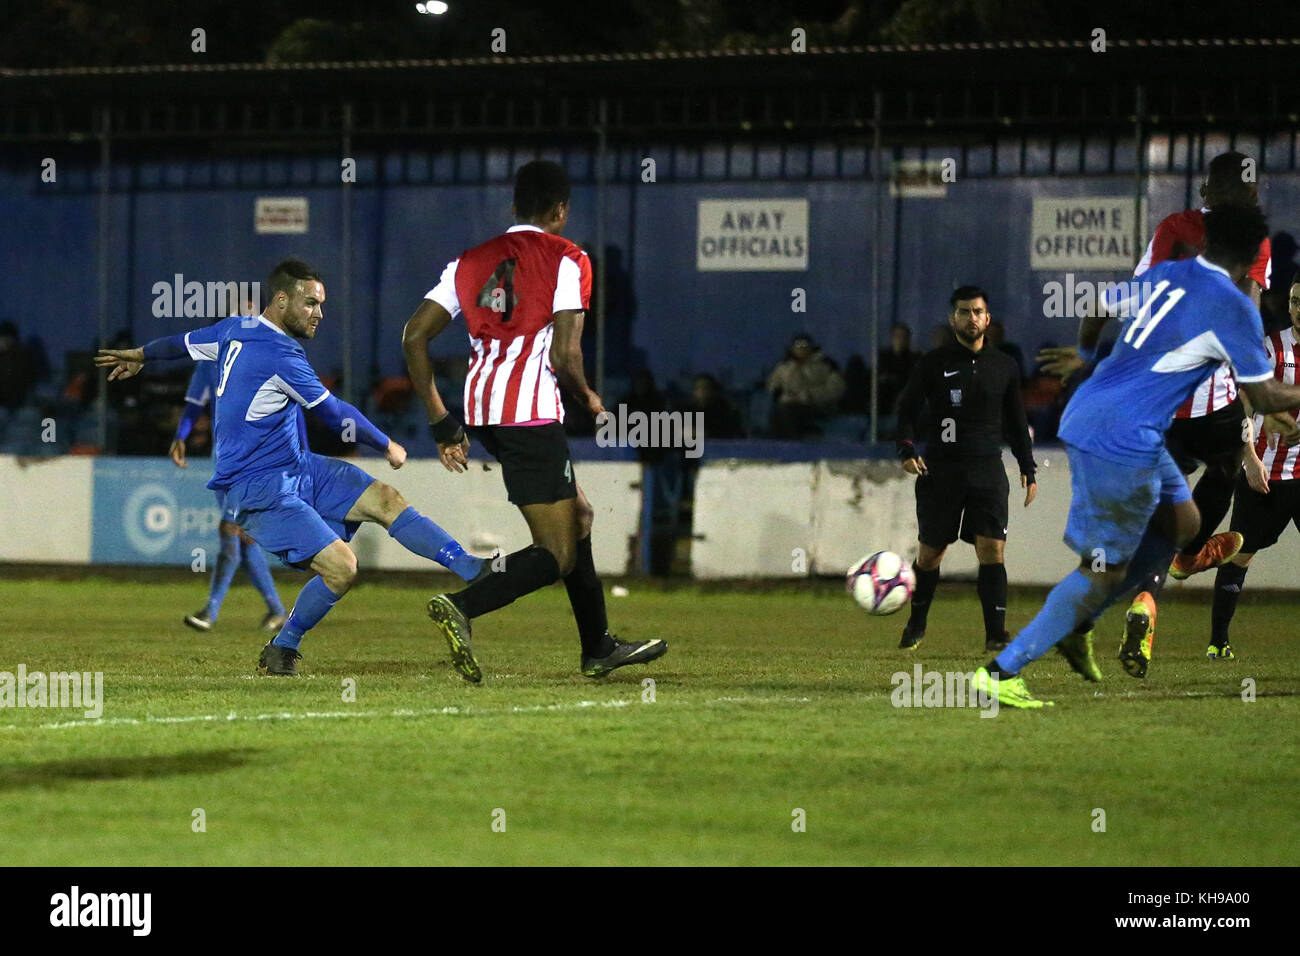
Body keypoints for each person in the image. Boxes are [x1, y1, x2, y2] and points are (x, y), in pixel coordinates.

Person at [975, 204, 1300, 709]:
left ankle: (1090, 614)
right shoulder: (1235, 307)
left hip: (1097, 412)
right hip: (1120, 435)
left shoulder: (1171, 273)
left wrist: (1086, 355)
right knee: (1102, 569)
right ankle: (1003, 670)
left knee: (1186, 521)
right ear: (1249, 258)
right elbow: (1263, 399)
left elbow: (1100, 304)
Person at [94, 258, 484, 676]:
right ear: (281, 301)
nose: (319, 313)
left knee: (385, 499)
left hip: (298, 468)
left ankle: (472, 570)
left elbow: (181, 343)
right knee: (342, 568)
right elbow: (334, 413)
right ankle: (283, 645)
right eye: (311, 303)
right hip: (259, 487)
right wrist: (387, 443)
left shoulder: (235, 329)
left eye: (322, 304)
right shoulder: (279, 353)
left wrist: (140, 355)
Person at [402, 159, 667, 682]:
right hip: (528, 415)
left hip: (481, 410)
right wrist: (589, 396)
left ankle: (598, 647)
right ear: (560, 210)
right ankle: (463, 605)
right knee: (558, 552)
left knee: (581, 515)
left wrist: (440, 420)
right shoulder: (569, 259)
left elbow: (414, 337)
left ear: (513, 207)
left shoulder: (468, 261)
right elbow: (566, 356)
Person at [1039, 151, 1290, 678]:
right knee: (1220, 482)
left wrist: (1088, 358)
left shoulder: (1173, 228)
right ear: (1249, 195)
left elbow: (1127, 300)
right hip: (1211, 396)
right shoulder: (1253, 241)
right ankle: (1183, 560)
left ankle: (1141, 600)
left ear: (1204, 190)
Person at [894, 286, 1037, 653]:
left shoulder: (1004, 366)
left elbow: (1017, 421)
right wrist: (906, 448)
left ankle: (996, 634)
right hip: (941, 470)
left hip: (987, 470)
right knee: (931, 554)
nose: (971, 318)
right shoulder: (933, 362)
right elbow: (905, 410)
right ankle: (916, 623)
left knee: (992, 549)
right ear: (952, 318)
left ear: (987, 319)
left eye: (977, 312)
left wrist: (1027, 466)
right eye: (963, 312)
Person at [1208, 277, 1300, 659]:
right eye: (1295, 301)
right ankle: (1218, 640)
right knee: (1241, 553)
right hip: (1266, 474)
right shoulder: (1272, 347)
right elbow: (1245, 399)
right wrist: (1249, 457)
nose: (1299, 309)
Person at [172, 357, 288, 634]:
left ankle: (210, 613)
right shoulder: (208, 364)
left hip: (252, 459)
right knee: (245, 539)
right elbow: (194, 406)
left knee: (230, 530)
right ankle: (277, 611)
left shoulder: (262, 357)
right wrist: (180, 436)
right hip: (224, 457)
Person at [766, 333, 845, 438]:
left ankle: (795, 443)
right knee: (779, 413)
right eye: (798, 346)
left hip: (818, 407)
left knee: (787, 412)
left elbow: (836, 388)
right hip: (788, 404)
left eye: (804, 346)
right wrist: (784, 396)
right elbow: (772, 385)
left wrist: (809, 395)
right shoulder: (784, 367)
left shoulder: (825, 365)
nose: (801, 349)